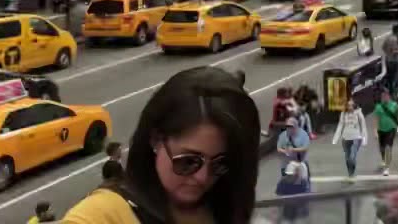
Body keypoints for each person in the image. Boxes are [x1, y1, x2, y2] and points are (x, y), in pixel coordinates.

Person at [63, 66, 260, 224]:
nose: (202, 177)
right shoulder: (103, 214)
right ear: (155, 139)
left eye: (220, 164)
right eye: (188, 161)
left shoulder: (223, 203)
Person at [332, 97, 367, 180]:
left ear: (354, 106)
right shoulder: (343, 114)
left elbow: (363, 126)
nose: (350, 107)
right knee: (347, 158)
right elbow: (340, 126)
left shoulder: (358, 113)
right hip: (345, 138)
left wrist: (364, 138)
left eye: (351, 105)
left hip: (356, 137)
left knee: (352, 157)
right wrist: (335, 138)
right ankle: (350, 174)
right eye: (348, 105)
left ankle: (352, 173)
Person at [373, 89, 398, 175]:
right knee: (382, 148)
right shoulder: (378, 107)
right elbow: (376, 120)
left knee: (388, 147)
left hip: (391, 129)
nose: (384, 98)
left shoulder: (394, 105)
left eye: (386, 96)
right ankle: (383, 160)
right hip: (381, 129)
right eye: (383, 96)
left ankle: (387, 168)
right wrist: (375, 131)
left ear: (389, 96)